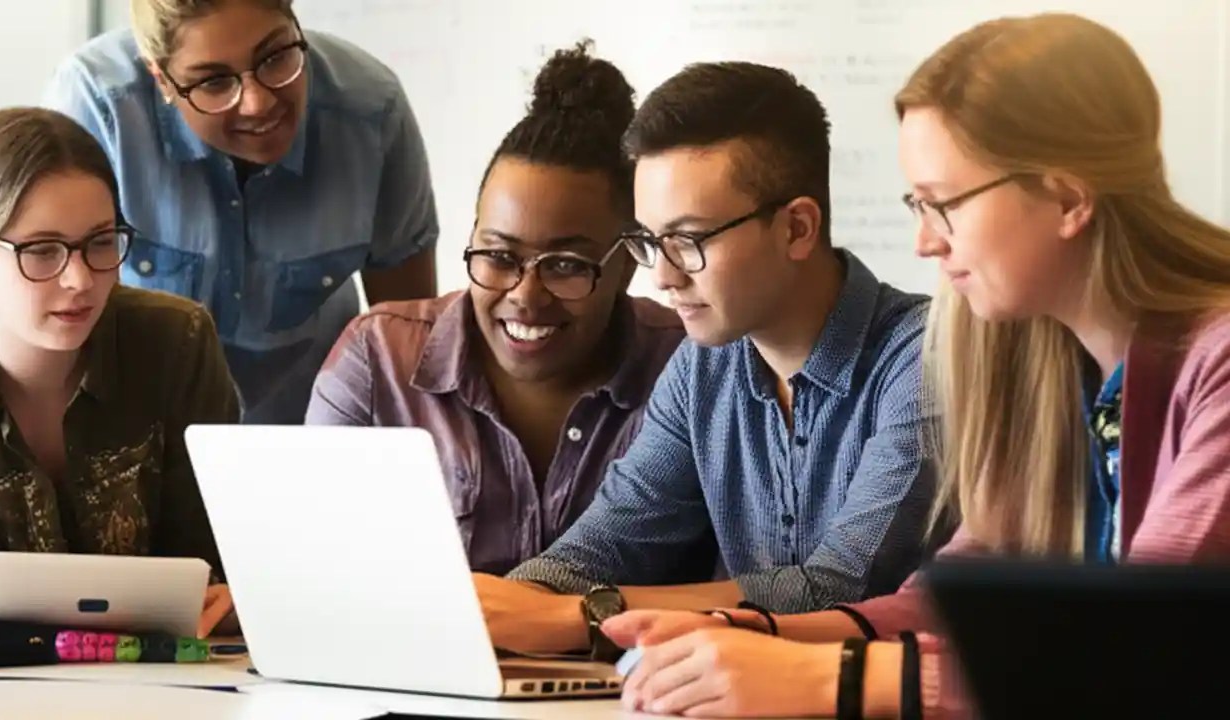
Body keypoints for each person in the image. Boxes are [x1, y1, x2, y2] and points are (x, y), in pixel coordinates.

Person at [602, 13, 1230, 719]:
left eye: (944, 204)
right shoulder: (1037, 360)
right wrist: (752, 632)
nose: (924, 242)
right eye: (916, 204)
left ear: (1067, 199)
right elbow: (949, 605)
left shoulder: (1220, 366)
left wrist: (823, 677)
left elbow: (1143, 656)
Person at [475, 60, 937, 659]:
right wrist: (500, 607)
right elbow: (598, 548)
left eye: (688, 241)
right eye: (650, 241)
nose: (663, 277)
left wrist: (586, 616)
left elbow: (842, 590)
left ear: (797, 228)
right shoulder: (702, 367)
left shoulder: (924, 357)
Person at [306, 42, 684, 575]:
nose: (526, 296)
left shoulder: (688, 369)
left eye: (566, 265)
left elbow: (740, 583)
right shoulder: (378, 362)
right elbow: (313, 564)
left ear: (627, 263)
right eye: (500, 257)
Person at [42, 0, 438, 423]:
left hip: (310, 431)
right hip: (141, 429)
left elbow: (407, 343)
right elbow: (50, 320)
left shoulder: (372, 112)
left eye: (275, 57)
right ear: (162, 79)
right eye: (214, 82)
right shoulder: (97, 105)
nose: (257, 103)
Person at [0, 107, 240, 637]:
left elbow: (213, 561)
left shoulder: (177, 342)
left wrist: (235, 597)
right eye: (42, 251)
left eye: (101, 242)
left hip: (170, 672)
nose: (80, 280)